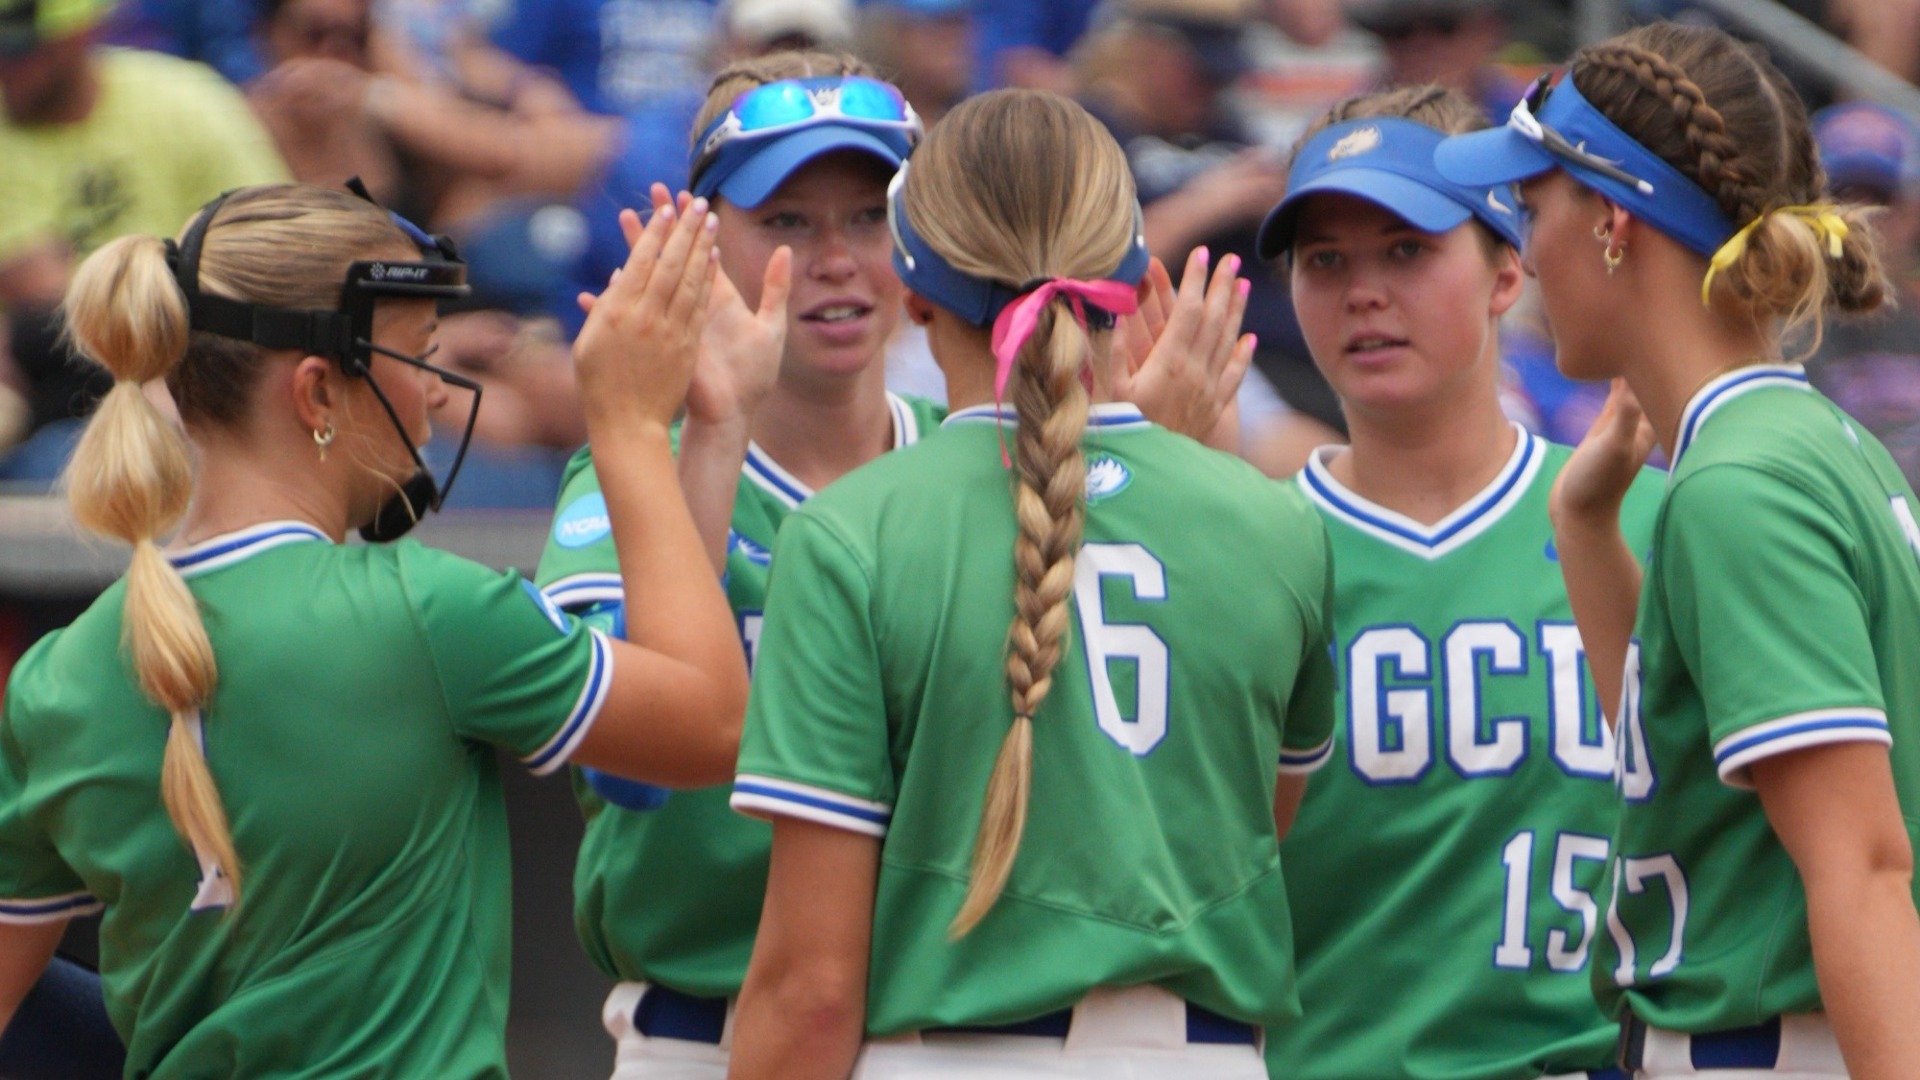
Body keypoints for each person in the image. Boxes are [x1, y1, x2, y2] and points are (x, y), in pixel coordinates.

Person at [536, 55, 1254, 1080]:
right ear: (699, 240)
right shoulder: (629, 475)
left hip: (950, 1033)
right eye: (786, 221)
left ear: (920, 248)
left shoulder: (1010, 460)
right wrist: (711, 439)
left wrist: (1158, 481)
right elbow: (629, 774)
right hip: (713, 1030)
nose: (834, 258)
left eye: (869, 218)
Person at [0, 181, 750, 1077]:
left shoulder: (54, 679)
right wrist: (630, 427)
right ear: (317, 391)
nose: (433, 397)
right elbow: (711, 725)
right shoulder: (425, 613)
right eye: (419, 356)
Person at [722, 87, 1335, 1080]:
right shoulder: (1281, 524)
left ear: (913, 294)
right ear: (1133, 275)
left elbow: (812, 991)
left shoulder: (845, 535)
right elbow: (1250, 836)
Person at [1437, 20, 1920, 1079]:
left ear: (1613, 222)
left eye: (1534, 203)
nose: (1521, 243)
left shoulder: (1741, 483)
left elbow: (1865, 872)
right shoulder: (1793, 442)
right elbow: (1684, 766)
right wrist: (1585, 522)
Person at [1254, 84, 1661, 1080]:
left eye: (1407, 249)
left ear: (1506, 270)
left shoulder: (1653, 520)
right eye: (1325, 260)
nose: (1363, 292)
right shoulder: (1250, 550)